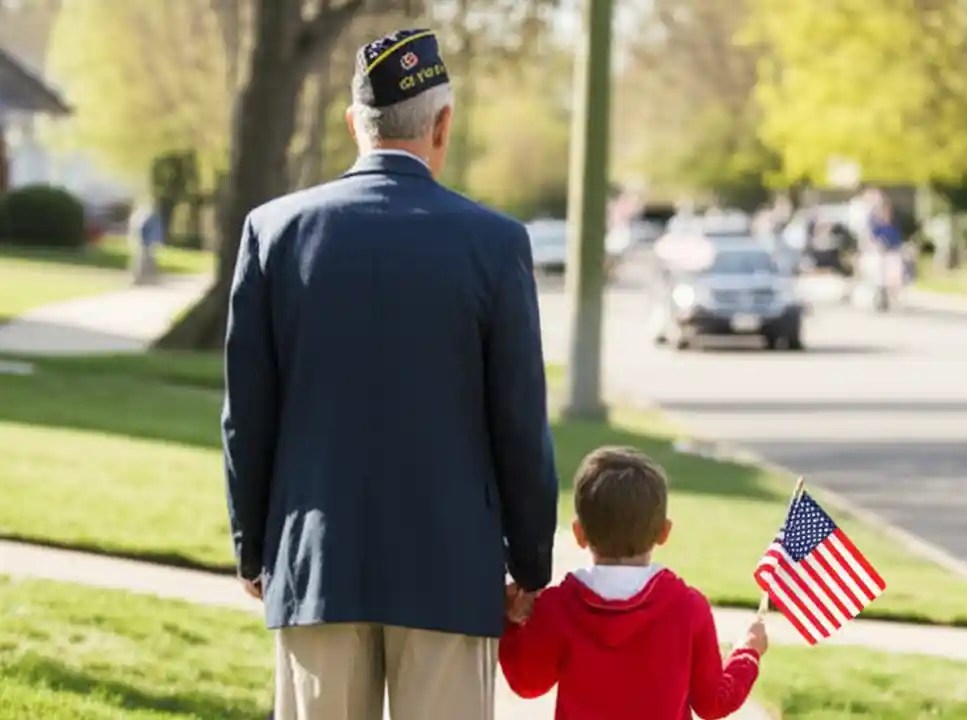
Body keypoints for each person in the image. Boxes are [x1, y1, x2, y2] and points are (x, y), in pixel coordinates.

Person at [221, 28, 558, 720]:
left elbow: (247, 416)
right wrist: (530, 565)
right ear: (443, 125)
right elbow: (519, 418)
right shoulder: (495, 244)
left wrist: (254, 549)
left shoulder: (273, 231)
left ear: (354, 125)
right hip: (449, 572)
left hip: (315, 568)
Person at [499, 447, 767, 720]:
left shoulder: (557, 606)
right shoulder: (688, 608)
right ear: (664, 532)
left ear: (579, 534)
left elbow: (527, 683)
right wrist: (747, 655)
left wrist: (510, 623)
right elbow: (712, 703)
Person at [127, 196, 164, 285]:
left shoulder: (142, 216)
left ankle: (141, 280)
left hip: (144, 242)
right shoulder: (148, 216)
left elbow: (138, 229)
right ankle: (147, 279)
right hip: (145, 242)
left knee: (142, 261)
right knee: (146, 261)